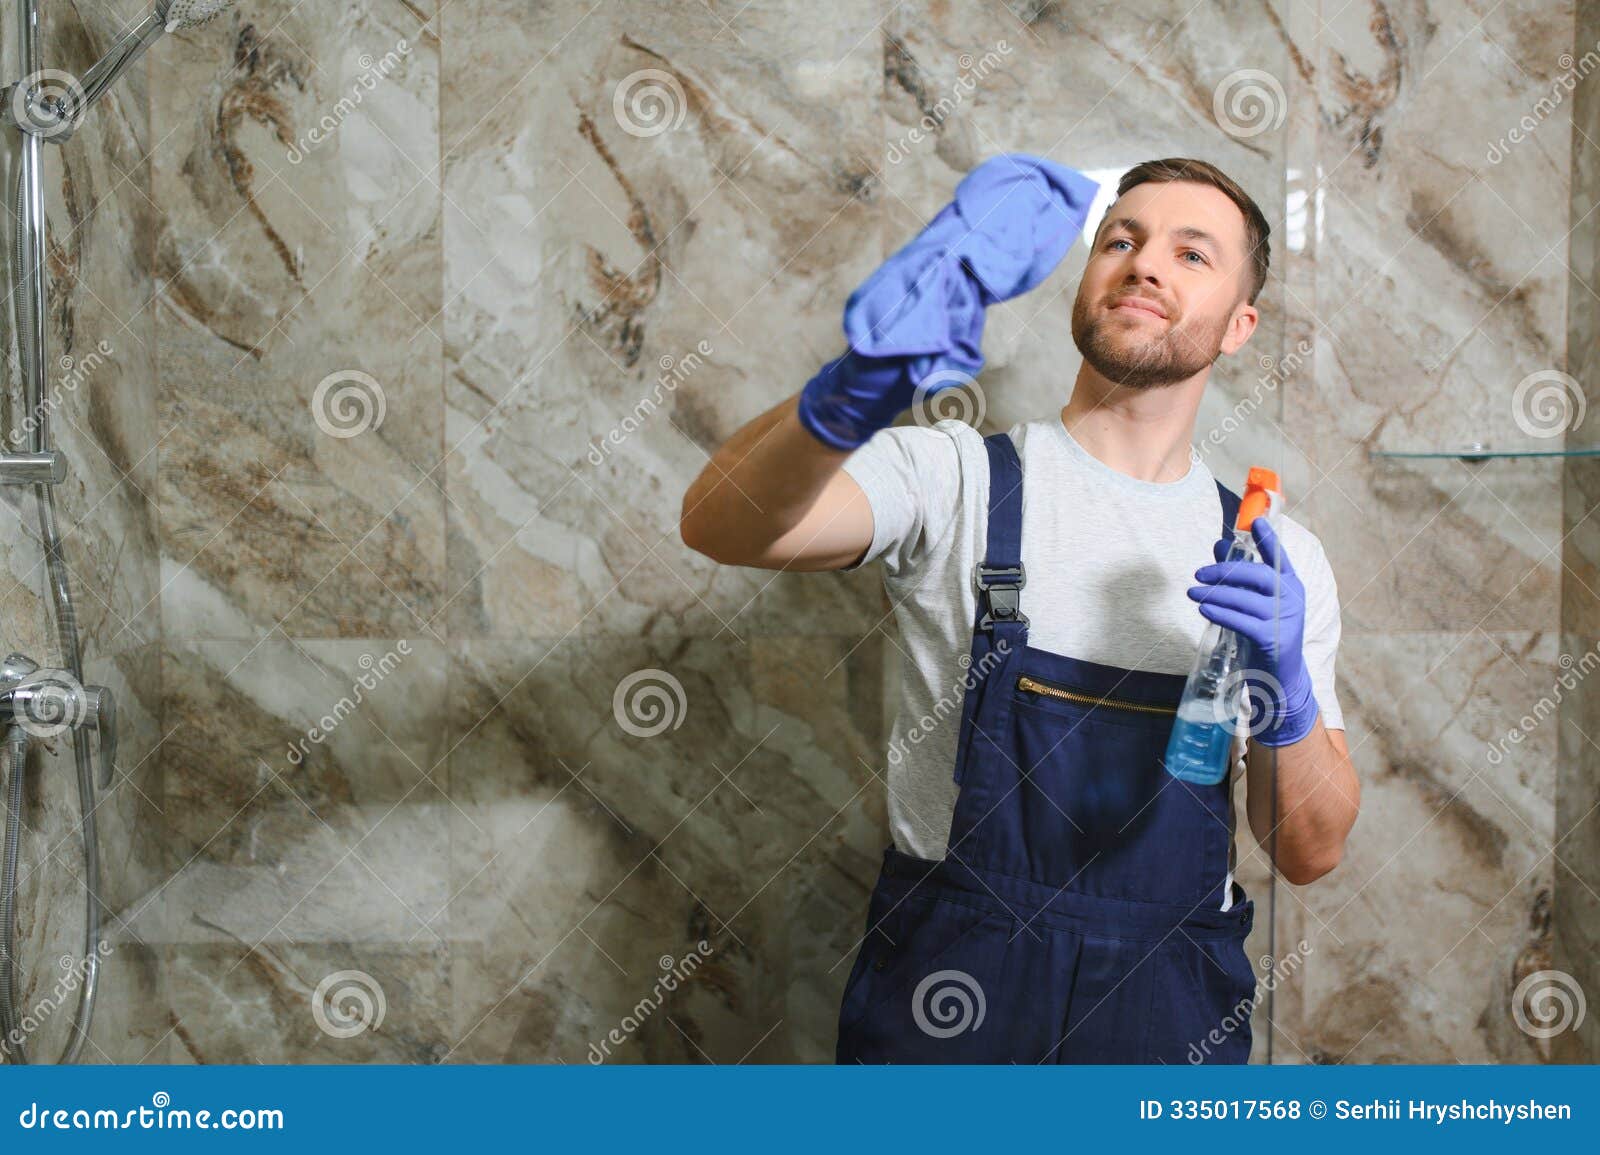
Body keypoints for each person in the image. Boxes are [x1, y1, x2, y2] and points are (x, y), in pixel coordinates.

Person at [679, 155, 1359, 1063]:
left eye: (1191, 255)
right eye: (1122, 239)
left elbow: (1307, 850)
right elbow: (721, 522)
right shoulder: (954, 477)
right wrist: (854, 390)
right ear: (1087, 279)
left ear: (1240, 325)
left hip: (1166, 1008)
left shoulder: (1277, 559)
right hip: (951, 995)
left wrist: (1289, 695)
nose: (1145, 263)